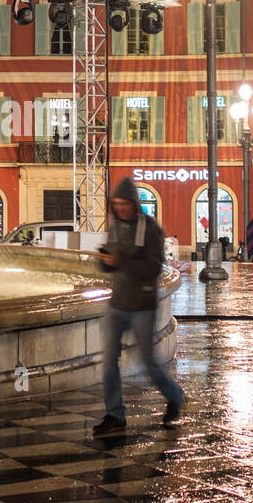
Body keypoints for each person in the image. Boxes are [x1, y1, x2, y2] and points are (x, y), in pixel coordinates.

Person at [93, 176, 184, 435]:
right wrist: (104, 260)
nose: (120, 208)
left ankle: (174, 396)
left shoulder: (151, 229)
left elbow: (154, 267)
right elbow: (111, 261)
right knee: (109, 361)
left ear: (135, 203)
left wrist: (121, 262)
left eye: (124, 204)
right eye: (116, 204)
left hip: (142, 305)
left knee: (148, 359)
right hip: (117, 303)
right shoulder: (115, 226)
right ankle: (115, 414)